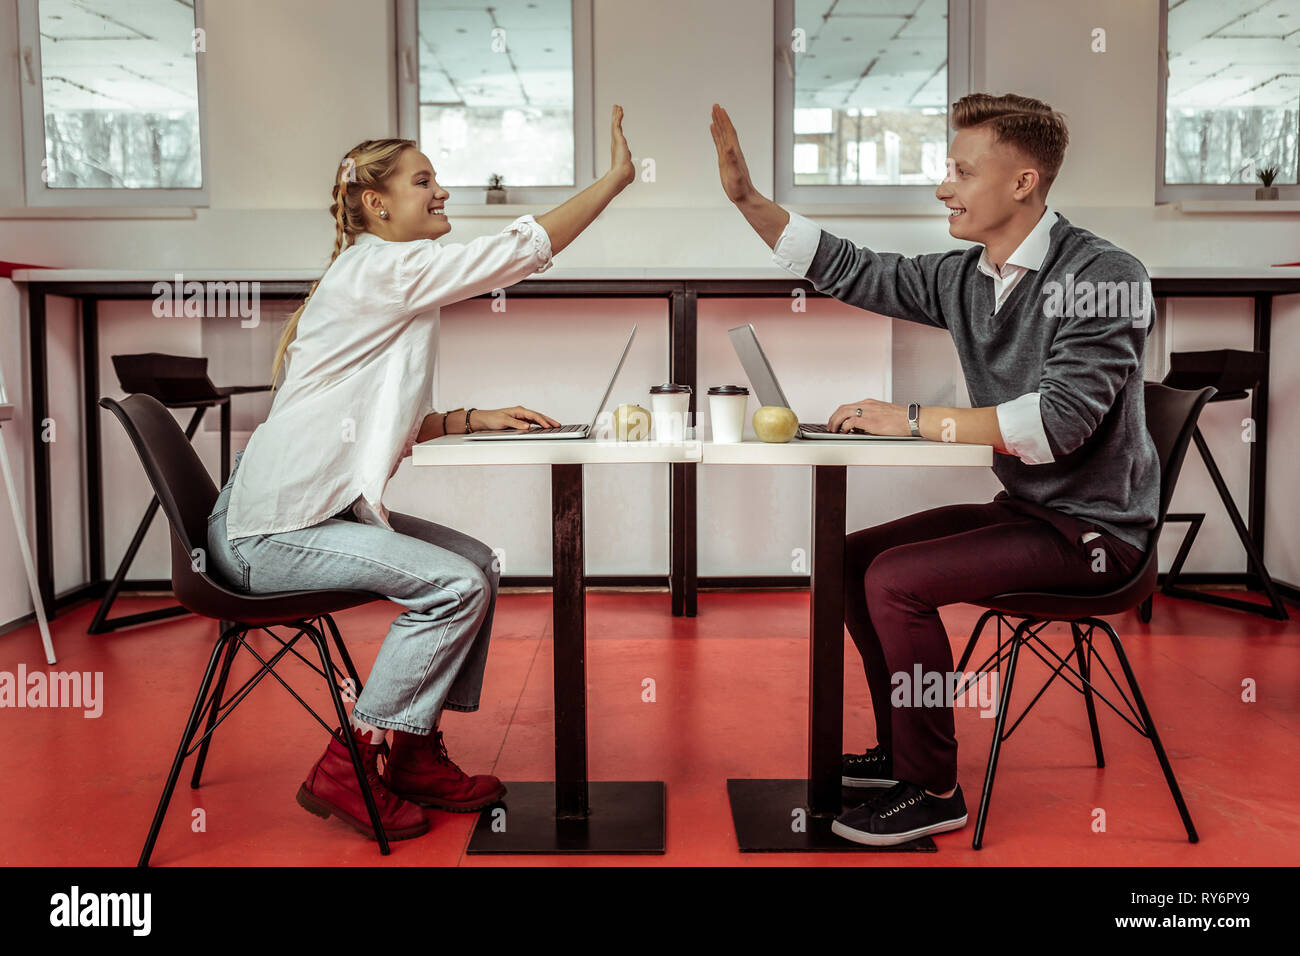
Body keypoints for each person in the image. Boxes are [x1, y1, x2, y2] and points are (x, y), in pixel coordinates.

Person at [711, 93, 1158, 845]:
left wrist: (914, 419)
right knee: (855, 559)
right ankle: (901, 751)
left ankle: (933, 788)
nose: (943, 187)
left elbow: (1057, 425)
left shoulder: (1104, 274)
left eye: (960, 170)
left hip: (1097, 534)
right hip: (1030, 512)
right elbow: (854, 270)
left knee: (898, 579)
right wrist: (750, 202)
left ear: (1022, 183)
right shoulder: (967, 277)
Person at [206, 106, 636, 842]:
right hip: (269, 532)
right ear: (378, 204)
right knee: (454, 584)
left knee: (474, 563)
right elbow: (515, 250)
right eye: (424, 181)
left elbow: (374, 412)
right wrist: (614, 182)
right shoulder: (382, 266)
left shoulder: (384, 275)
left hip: (307, 515)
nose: (442, 193)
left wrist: (468, 418)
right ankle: (351, 758)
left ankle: (411, 752)